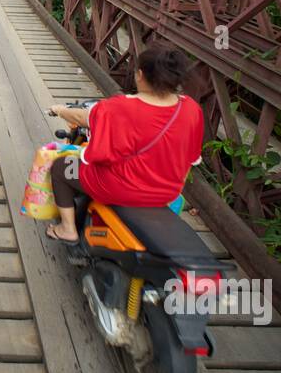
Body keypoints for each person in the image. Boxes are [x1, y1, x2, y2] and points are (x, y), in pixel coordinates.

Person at [44, 46, 205, 243]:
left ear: (140, 75)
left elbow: (82, 117)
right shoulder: (191, 109)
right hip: (166, 194)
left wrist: (59, 109)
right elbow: (191, 160)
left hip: (118, 188)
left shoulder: (120, 107)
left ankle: (67, 229)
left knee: (62, 167)